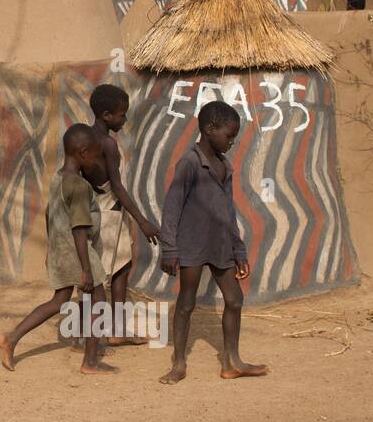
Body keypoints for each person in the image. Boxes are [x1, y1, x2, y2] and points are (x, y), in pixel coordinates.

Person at [158, 100, 269, 384]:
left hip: (220, 245)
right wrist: (169, 249)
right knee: (186, 303)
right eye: (229, 135)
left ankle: (232, 361)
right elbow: (172, 207)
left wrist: (238, 250)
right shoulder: (190, 163)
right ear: (210, 129)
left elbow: (228, 212)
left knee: (235, 299)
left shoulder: (224, 166)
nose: (232, 141)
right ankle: (179, 363)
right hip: (192, 246)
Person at [0, 124, 117, 375]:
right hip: (80, 251)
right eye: (95, 155)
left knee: (59, 301)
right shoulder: (79, 187)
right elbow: (79, 228)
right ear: (83, 153)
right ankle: (91, 361)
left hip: (63, 250)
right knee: (98, 299)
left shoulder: (58, 179)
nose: (97, 161)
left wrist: (51, 249)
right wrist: (86, 269)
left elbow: (49, 215)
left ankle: (11, 338)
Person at [87, 83, 160, 344]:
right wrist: (143, 222)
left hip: (95, 212)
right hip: (109, 214)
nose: (124, 119)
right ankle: (92, 338)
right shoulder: (108, 144)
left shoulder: (83, 138)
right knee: (99, 277)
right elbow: (116, 187)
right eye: (121, 114)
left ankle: (115, 331)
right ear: (106, 115)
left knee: (120, 269)